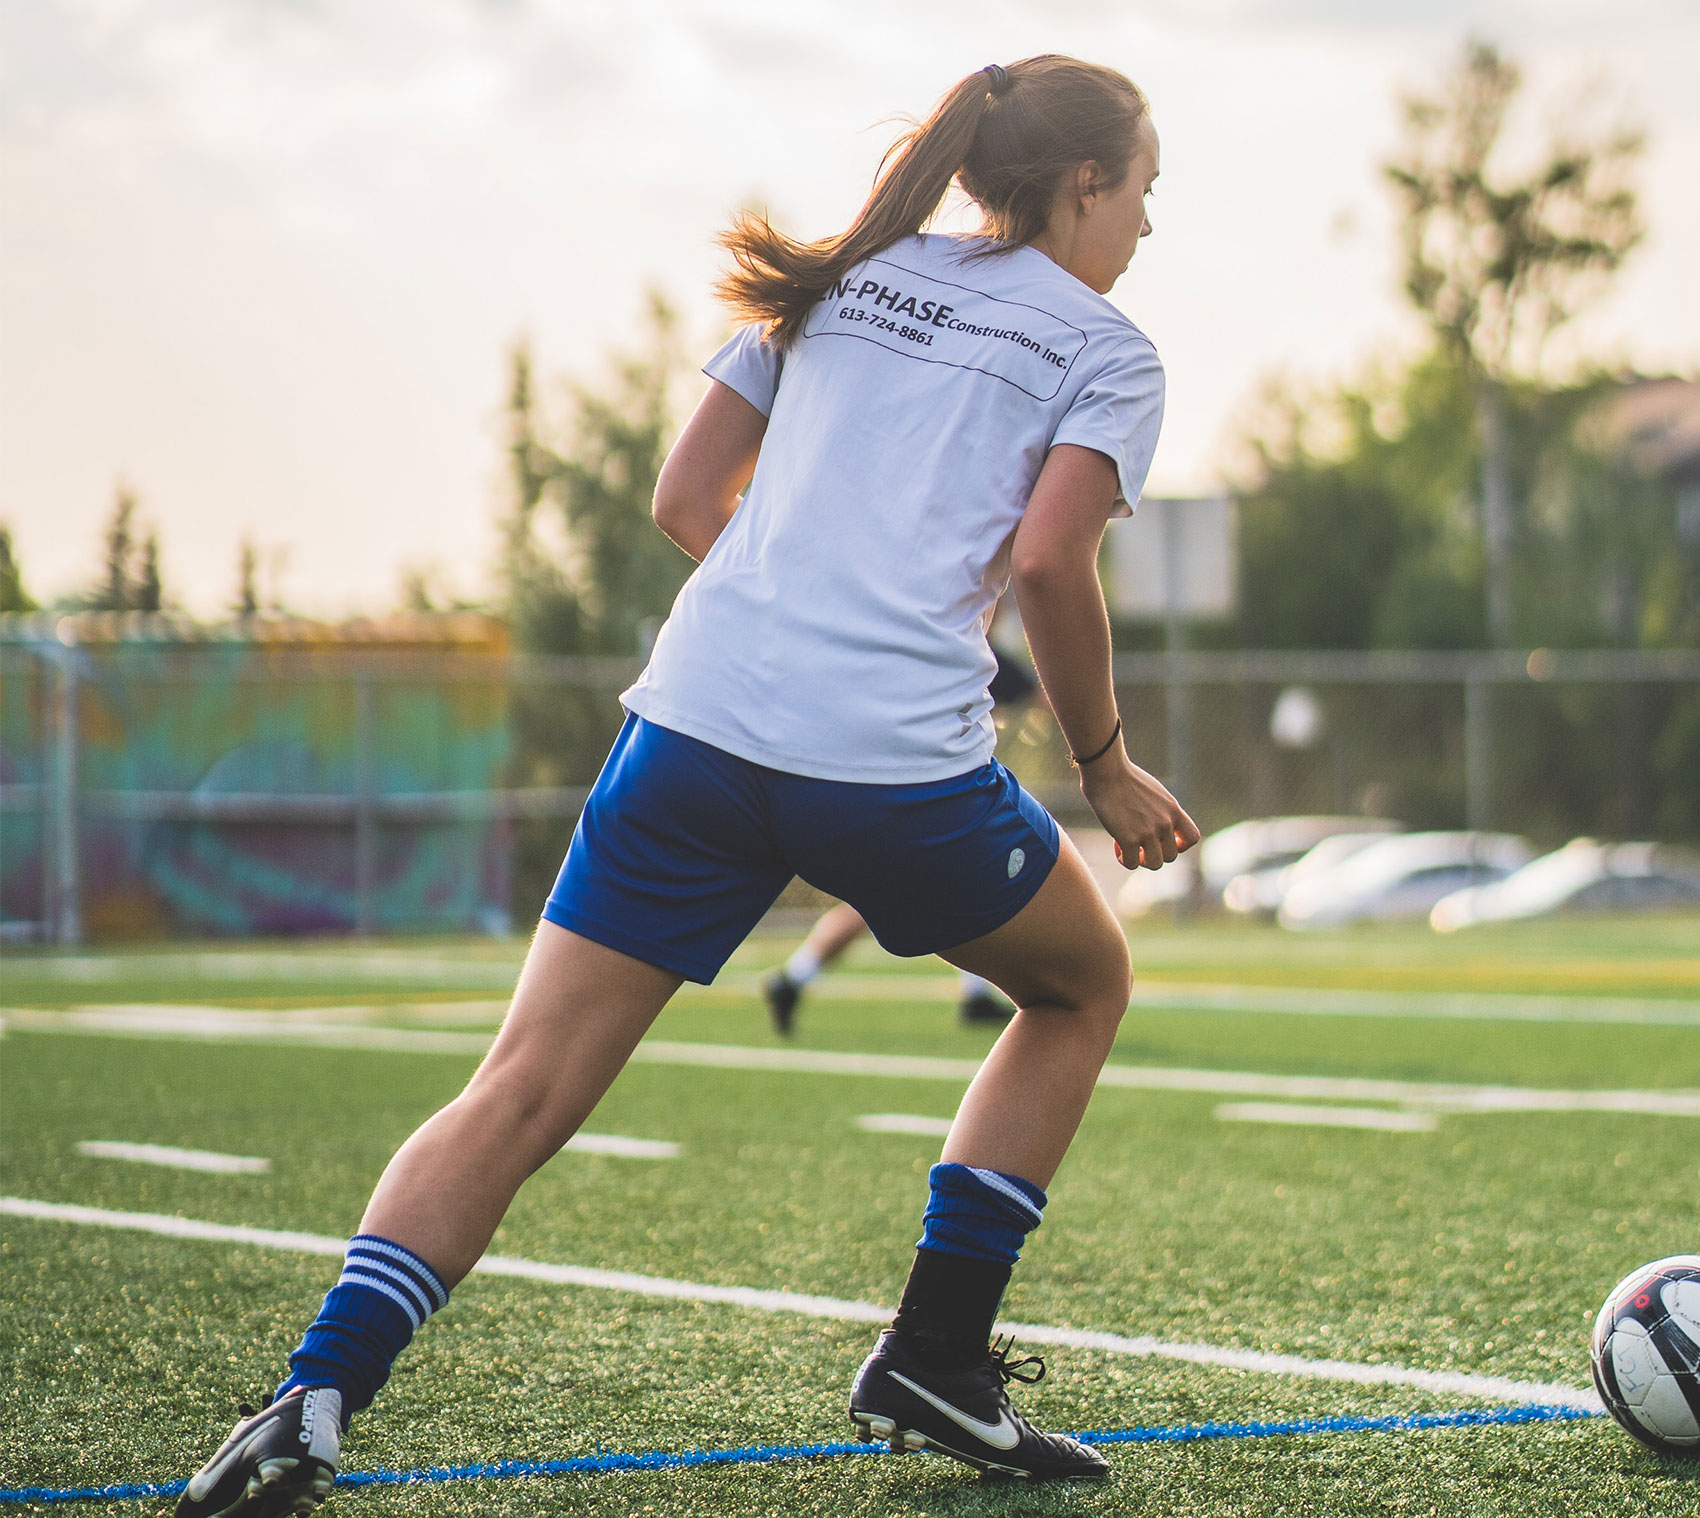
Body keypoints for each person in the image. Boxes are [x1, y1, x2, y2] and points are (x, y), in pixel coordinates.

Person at [174, 54, 1193, 1515]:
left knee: (517, 1089)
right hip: (888, 765)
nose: (1148, 227)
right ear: (1086, 183)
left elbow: (679, 500)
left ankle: (311, 1399)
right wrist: (1101, 764)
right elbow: (1046, 563)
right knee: (1080, 984)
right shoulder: (1107, 344)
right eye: (1145, 190)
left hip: (691, 731)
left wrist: (789, 622)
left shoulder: (841, 269)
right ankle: (935, 1356)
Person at [764, 650, 1037, 1032]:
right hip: (916, 792)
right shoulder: (956, 642)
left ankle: (796, 977)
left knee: (911, 894)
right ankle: (795, 977)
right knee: (931, 890)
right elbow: (1033, 691)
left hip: (882, 786)